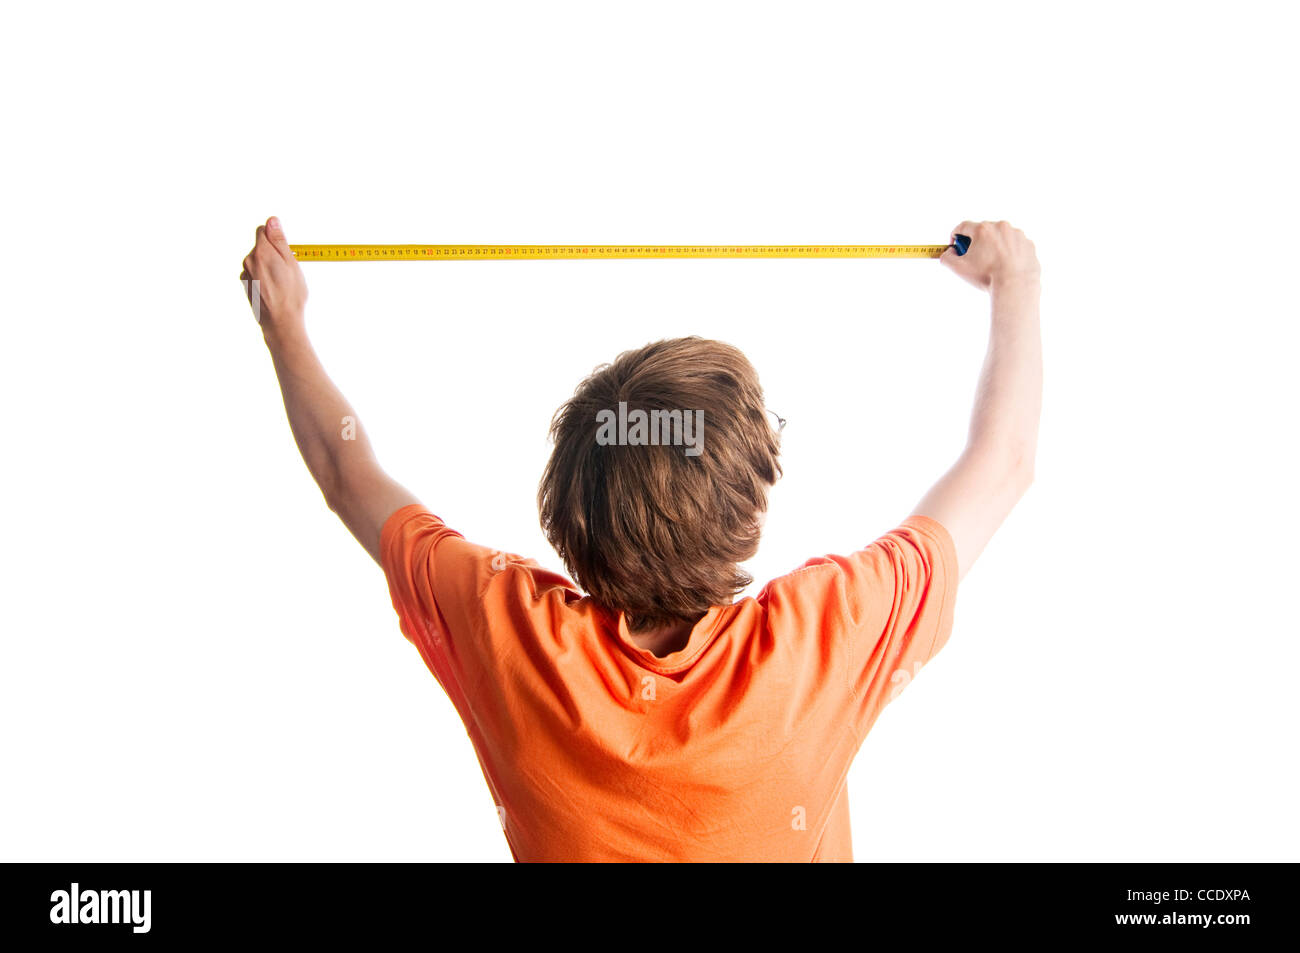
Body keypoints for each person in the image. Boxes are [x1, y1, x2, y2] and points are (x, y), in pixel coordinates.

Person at [239, 218, 1041, 861]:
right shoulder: (827, 636)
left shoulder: (507, 630)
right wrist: (1016, 279)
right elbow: (1002, 462)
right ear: (747, 509)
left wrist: (284, 325)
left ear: (568, 504)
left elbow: (345, 473)